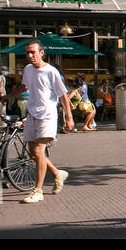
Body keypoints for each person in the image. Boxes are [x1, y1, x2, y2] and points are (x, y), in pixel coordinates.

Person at [19, 41, 73, 204]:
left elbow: (63, 95)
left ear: (41, 53)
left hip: (47, 115)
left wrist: (69, 118)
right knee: (33, 154)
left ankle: (38, 190)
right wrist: (8, 96)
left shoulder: (51, 71)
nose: (30, 56)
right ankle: (57, 173)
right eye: (28, 53)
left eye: (33, 52)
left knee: (39, 151)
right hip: (32, 114)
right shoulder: (28, 70)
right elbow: (24, 86)